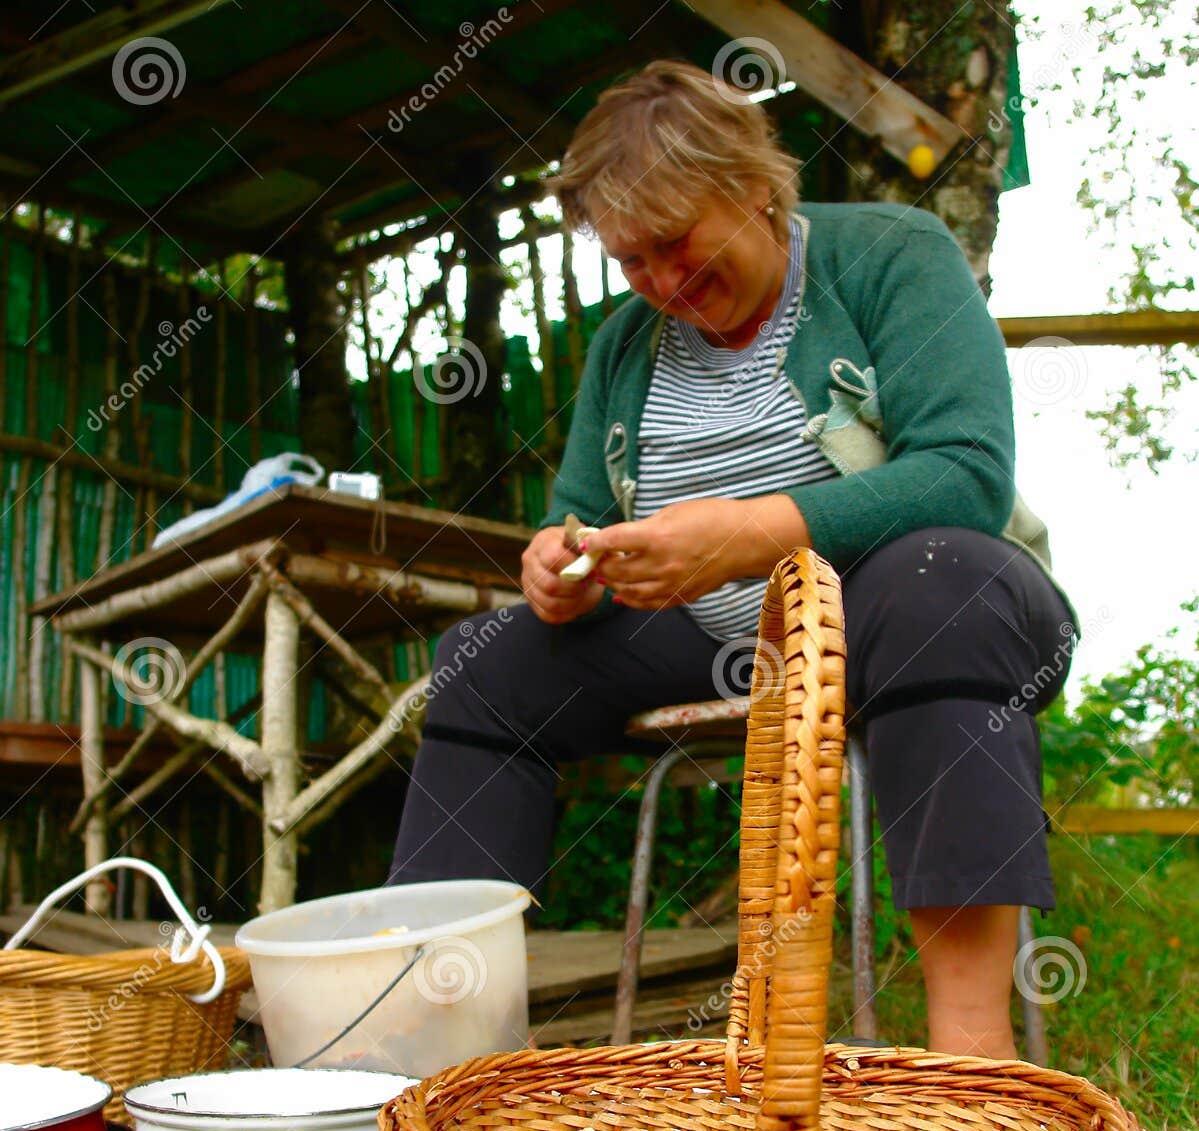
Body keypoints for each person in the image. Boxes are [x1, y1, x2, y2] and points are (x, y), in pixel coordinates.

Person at [388, 59, 1079, 1060]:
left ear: (753, 183)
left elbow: (963, 475)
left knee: (938, 579)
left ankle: (967, 1058)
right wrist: (556, 569)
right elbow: (578, 516)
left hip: (919, 615)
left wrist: (744, 533)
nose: (663, 285)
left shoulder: (889, 255)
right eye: (631, 262)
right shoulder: (623, 348)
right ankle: (439, 1053)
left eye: (675, 244)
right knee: (481, 663)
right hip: (719, 637)